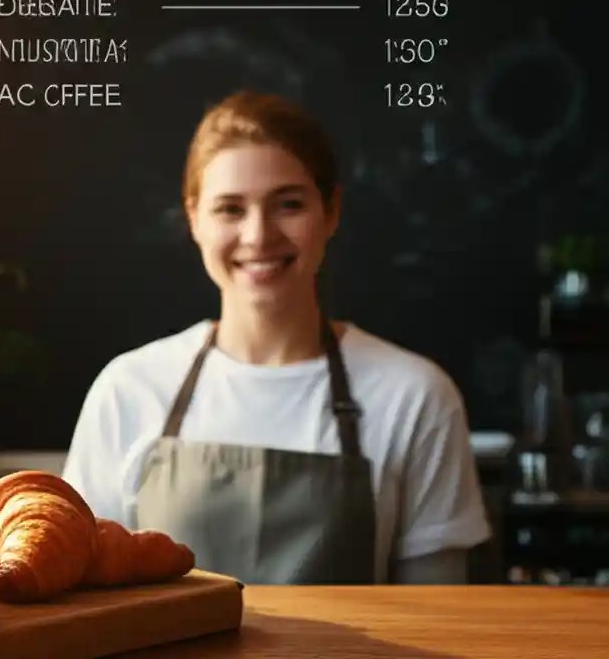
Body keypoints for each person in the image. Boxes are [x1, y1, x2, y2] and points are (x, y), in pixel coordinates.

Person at [61, 90, 491, 584]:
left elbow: (436, 623)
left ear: (331, 212)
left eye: (288, 204)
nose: (259, 235)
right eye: (230, 209)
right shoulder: (129, 388)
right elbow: (90, 602)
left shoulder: (415, 396)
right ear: (194, 219)